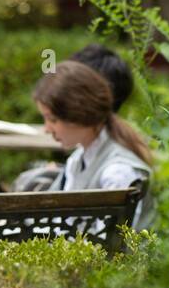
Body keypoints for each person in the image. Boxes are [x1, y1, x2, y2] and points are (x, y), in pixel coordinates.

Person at [32, 60, 155, 231]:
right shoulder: (79, 159)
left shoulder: (117, 172)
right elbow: (62, 227)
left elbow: (111, 247)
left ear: (79, 114)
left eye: (53, 119)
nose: (46, 129)